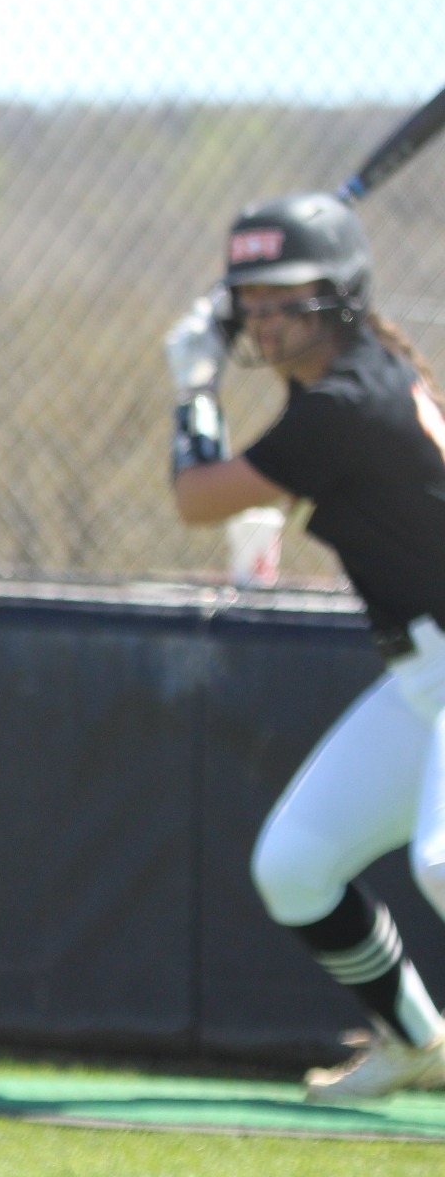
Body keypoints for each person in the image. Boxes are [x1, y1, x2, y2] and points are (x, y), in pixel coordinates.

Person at [168, 191, 445, 1099]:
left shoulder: (346, 403)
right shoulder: (348, 382)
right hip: (422, 671)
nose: (267, 319)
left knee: (442, 860)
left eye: (291, 297)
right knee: (295, 866)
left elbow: (199, 495)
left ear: (344, 295)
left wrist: (195, 388)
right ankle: (415, 1040)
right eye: (254, 298)